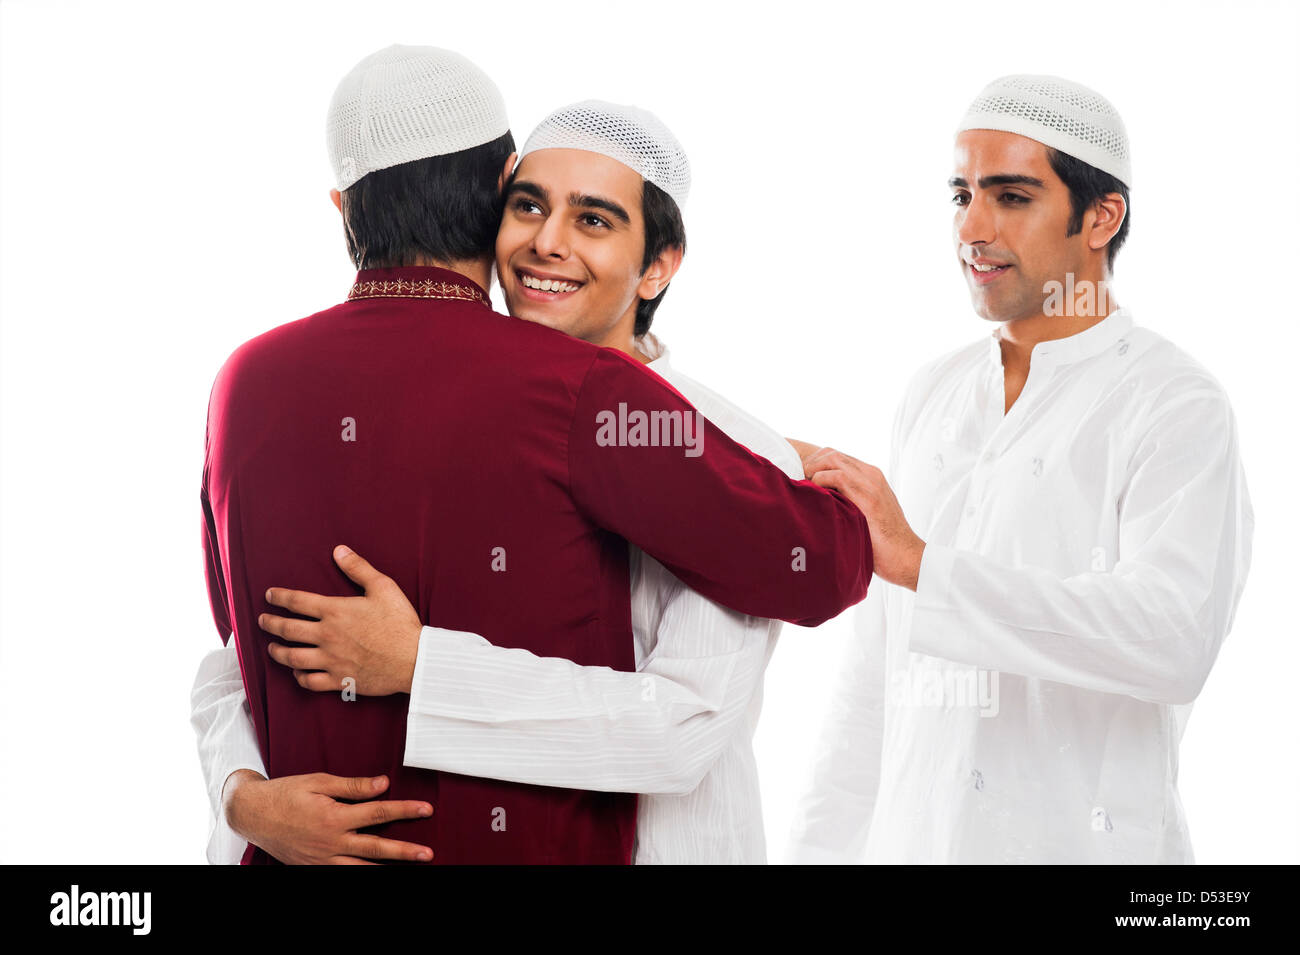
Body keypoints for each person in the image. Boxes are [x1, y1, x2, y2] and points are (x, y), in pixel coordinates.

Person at [195, 46, 872, 865]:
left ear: (343, 207)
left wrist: (758, 454)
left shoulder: (242, 382)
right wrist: (240, 796)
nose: (551, 244)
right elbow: (822, 558)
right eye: (532, 205)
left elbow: (680, 730)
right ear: (496, 195)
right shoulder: (575, 389)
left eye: (593, 219)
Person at [785, 75, 1254, 864]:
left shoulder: (1176, 404)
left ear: (1102, 216)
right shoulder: (932, 392)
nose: (972, 226)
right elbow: (875, 677)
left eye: (1010, 195)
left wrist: (928, 568)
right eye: (961, 193)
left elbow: (1172, 637)